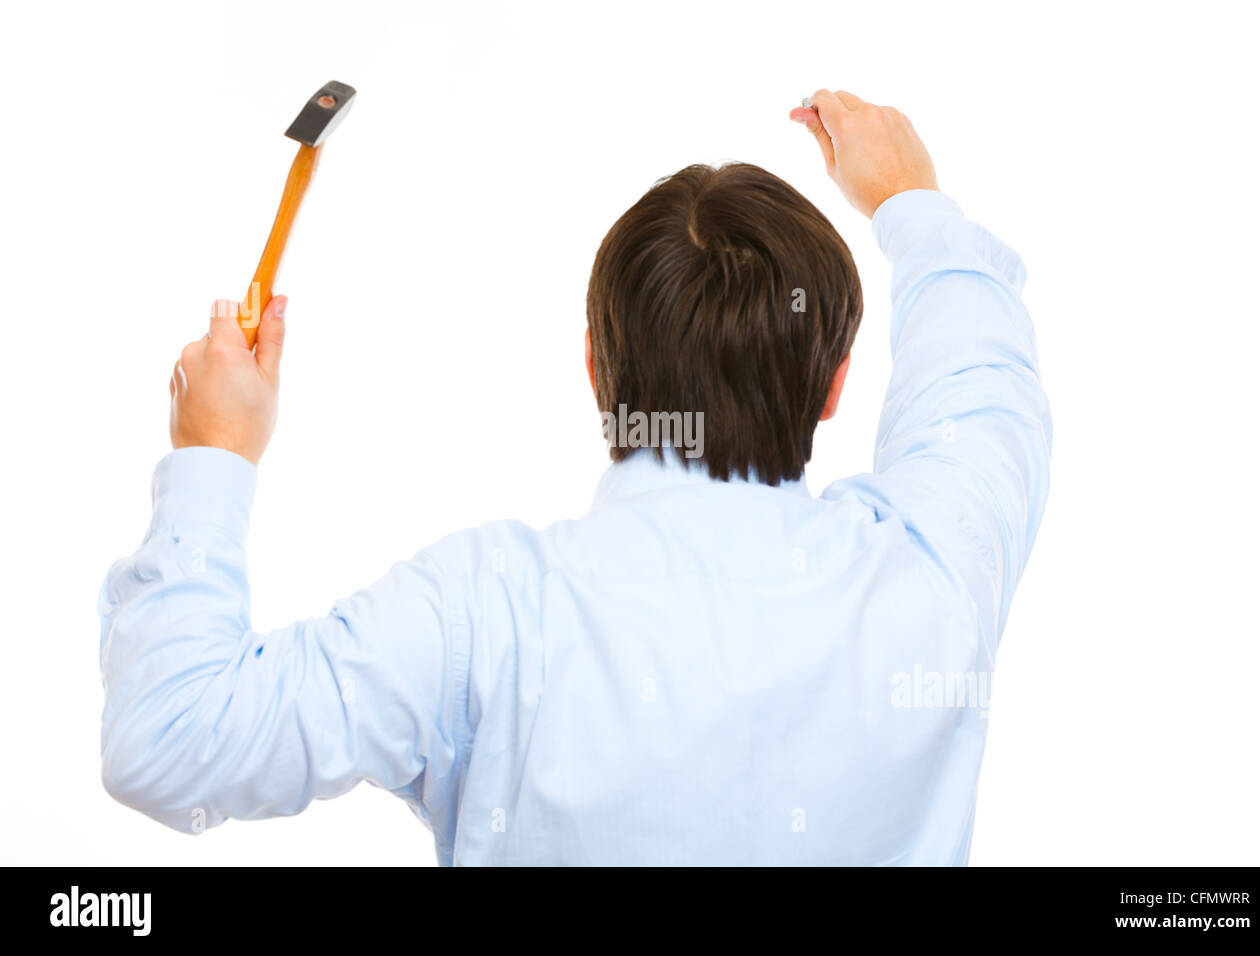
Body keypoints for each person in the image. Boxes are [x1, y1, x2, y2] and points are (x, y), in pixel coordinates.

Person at [99, 89, 1051, 865]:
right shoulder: (935, 569)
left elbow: (171, 742)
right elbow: (979, 381)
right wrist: (910, 200)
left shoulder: (485, 614)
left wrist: (213, 452)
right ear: (838, 384)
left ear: (595, 367)